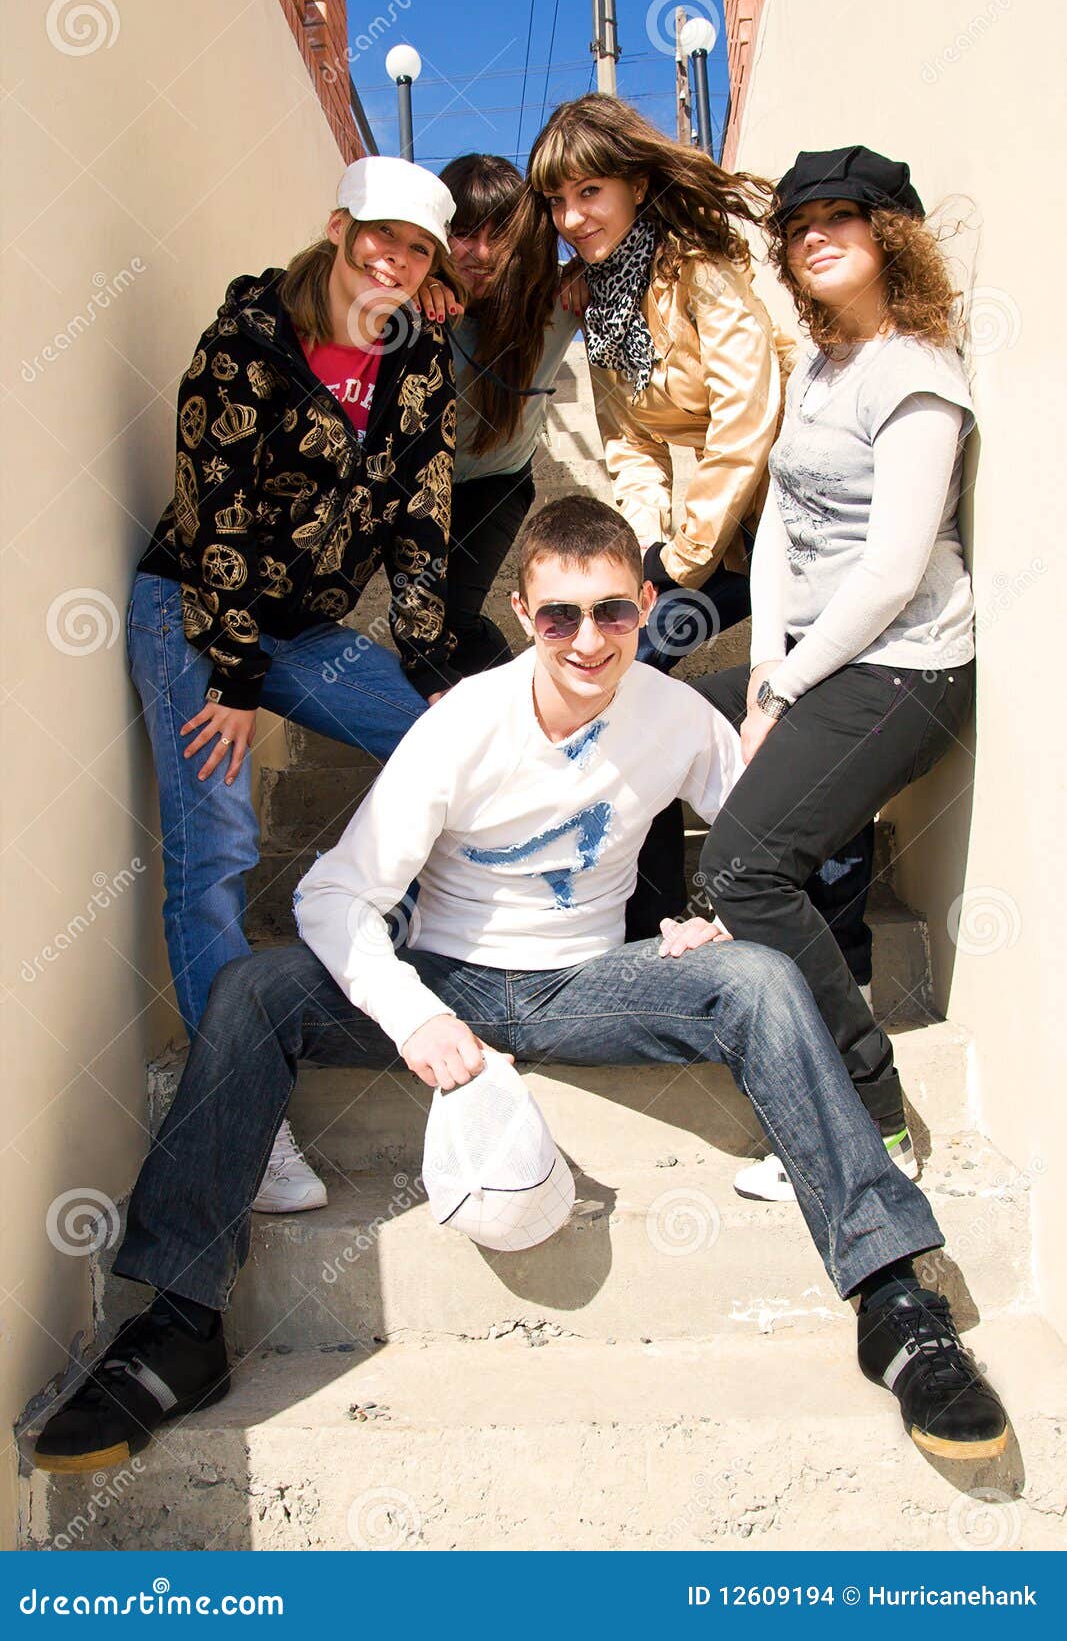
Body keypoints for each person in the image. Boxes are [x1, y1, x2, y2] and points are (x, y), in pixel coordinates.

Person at [33, 497, 1006, 1474]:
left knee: (755, 978)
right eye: (558, 617)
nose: (587, 642)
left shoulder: (672, 716)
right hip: (449, 977)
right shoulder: (463, 724)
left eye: (613, 613)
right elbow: (334, 897)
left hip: (590, 980)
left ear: (644, 605)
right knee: (251, 991)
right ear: (521, 608)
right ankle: (178, 1325)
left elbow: (755, 835)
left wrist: (722, 911)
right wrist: (413, 1016)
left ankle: (895, 1304)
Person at [127, 156, 462, 1214]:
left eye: (417, 249)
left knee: (436, 753)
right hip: (192, 613)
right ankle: (247, 1114)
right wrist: (229, 674)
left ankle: (394, 976)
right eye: (380, 237)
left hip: (303, 628)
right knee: (218, 843)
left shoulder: (419, 360)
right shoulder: (247, 340)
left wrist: (428, 664)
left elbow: (420, 518)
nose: (395, 263)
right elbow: (213, 505)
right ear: (337, 227)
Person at [695, 146, 978, 1202]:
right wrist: (762, 662)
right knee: (647, 714)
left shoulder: (914, 374)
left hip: (903, 669)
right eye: (798, 223)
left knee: (744, 866)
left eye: (840, 219)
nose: (813, 235)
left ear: (888, 236)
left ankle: (871, 1119)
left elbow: (892, 572)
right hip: (817, 660)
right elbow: (775, 527)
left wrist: (781, 691)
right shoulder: (819, 367)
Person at [525, 94, 792, 937]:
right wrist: (645, 547)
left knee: (773, 701)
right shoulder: (604, 300)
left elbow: (748, 417)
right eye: (557, 203)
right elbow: (628, 441)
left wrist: (679, 558)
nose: (571, 218)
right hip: (711, 537)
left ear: (637, 185)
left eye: (589, 195)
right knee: (626, 683)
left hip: (790, 527)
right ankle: (652, 919)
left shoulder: (700, 269)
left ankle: (746, 905)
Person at [426, 153, 578, 678]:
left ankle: (520, 713)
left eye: (500, 234)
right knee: (424, 619)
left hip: (496, 484)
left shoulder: (554, 299)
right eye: (464, 233)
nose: (482, 253)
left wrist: (586, 269)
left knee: (456, 617)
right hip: (418, 485)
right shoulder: (413, 299)